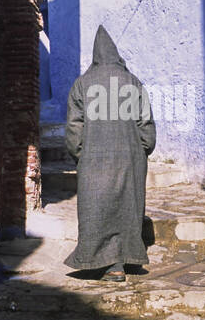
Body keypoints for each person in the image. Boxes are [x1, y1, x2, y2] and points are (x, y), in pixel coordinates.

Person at [63, 25, 156, 281]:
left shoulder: (82, 84)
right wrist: (143, 150)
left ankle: (107, 263)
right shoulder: (133, 82)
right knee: (127, 207)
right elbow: (145, 124)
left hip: (94, 159)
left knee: (98, 208)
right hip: (130, 157)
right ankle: (127, 257)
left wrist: (80, 154)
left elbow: (74, 126)